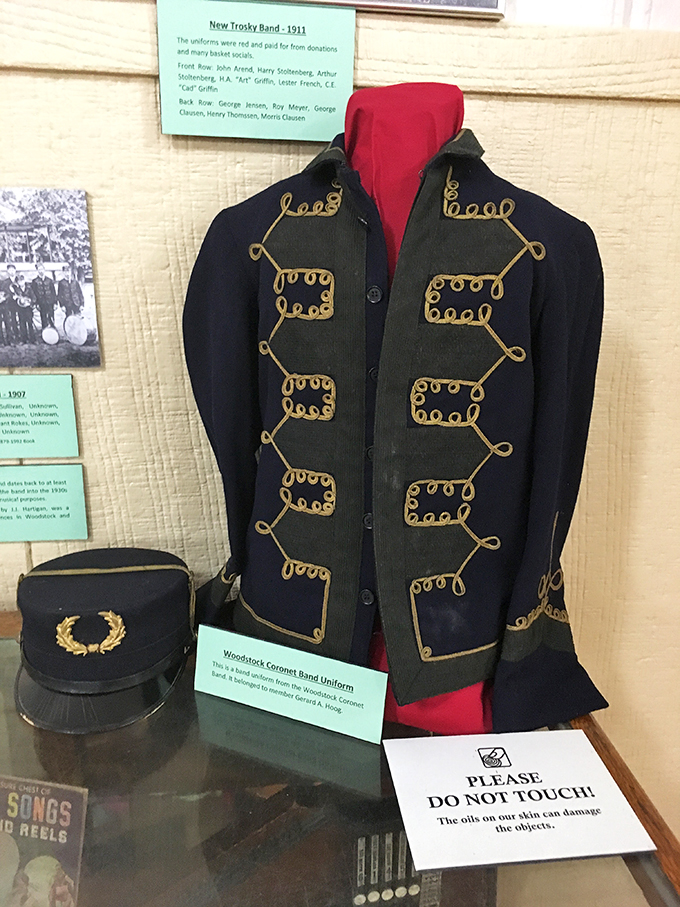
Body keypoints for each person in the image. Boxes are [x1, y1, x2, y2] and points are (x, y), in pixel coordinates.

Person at [31, 261, 57, 329]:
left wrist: (55, 303)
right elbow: (34, 293)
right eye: (39, 269)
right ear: (37, 270)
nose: (41, 271)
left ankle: (53, 333)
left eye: (42, 269)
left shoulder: (49, 280)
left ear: (44, 270)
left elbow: (53, 292)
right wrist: (36, 303)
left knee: (51, 318)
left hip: (50, 302)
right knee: (43, 318)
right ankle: (45, 333)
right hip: (41, 303)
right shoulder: (34, 281)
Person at [14, 272, 36, 343]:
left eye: (22, 280)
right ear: (17, 282)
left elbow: (34, 297)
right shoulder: (16, 290)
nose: (21, 282)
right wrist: (16, 298)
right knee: (22, 324)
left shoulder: (29, 288)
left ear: (24, 280)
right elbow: (15, 299)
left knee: (30, 323)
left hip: (28, 309)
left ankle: (33, 339)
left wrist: (31, 302)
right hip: (20, 309)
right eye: (19, 281)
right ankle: (23, 339)